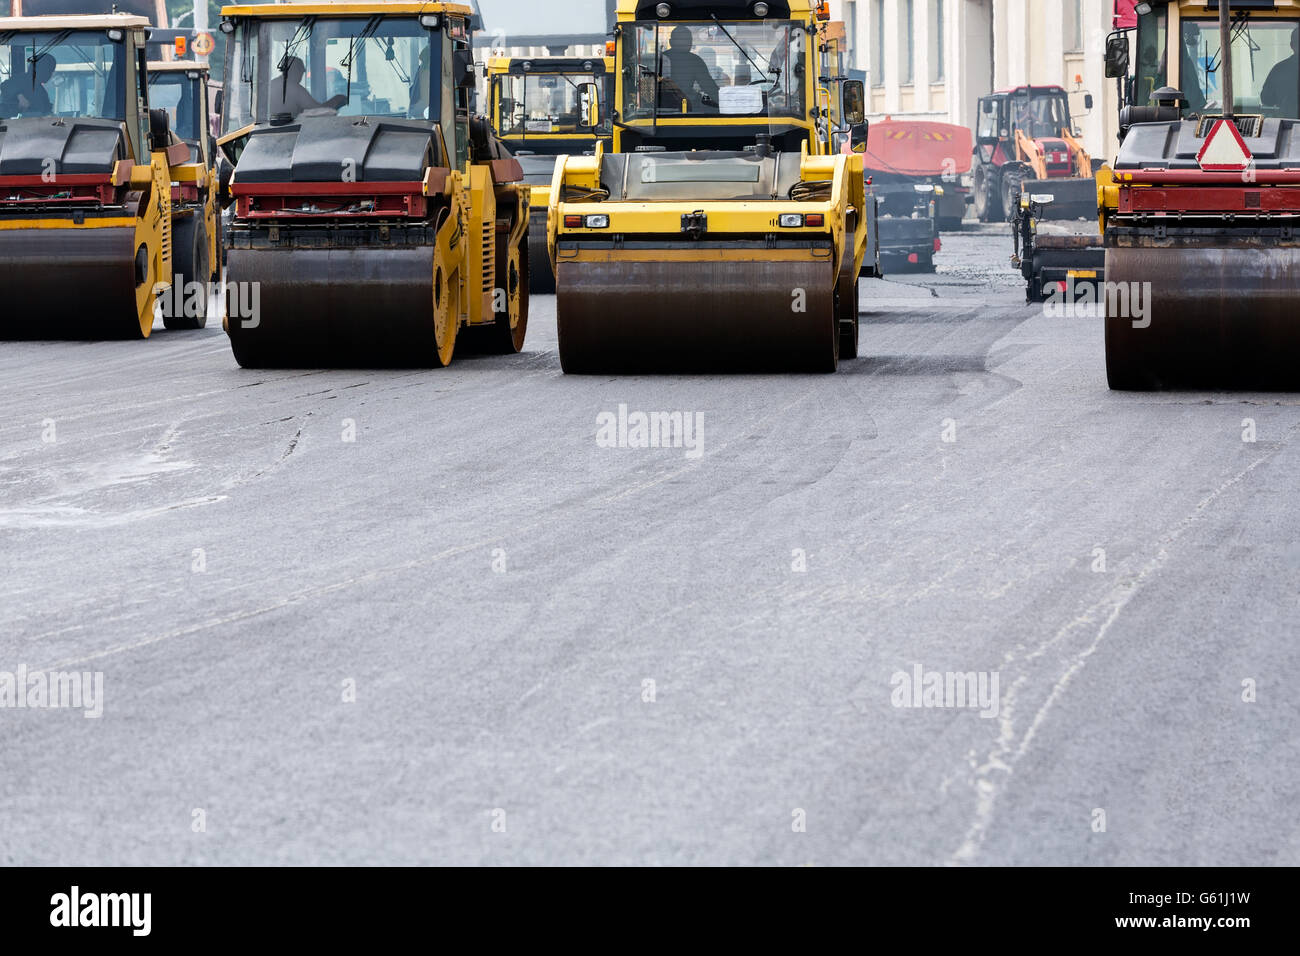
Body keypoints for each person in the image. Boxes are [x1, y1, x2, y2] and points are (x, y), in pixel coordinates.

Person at [267, 56, 347, 118]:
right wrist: (338, 99)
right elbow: (318, 111)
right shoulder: (295, 89)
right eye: (302, 71)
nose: (302, 75)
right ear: (295, 70)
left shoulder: (269, 86)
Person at [663, 25, 718, 111]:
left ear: (670, 42)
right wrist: (726, 104)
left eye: (688, 40)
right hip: (689, 108)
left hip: (660, 110)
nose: (687, 43)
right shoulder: (694, 60)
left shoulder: (660, 59)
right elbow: (710, 88)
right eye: (685, 40)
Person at [1262, 28, 1299, 118]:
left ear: (1292, 45)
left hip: (1287, 125)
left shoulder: (1279, 69)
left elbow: (1266, 99)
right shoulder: (1279, 69)